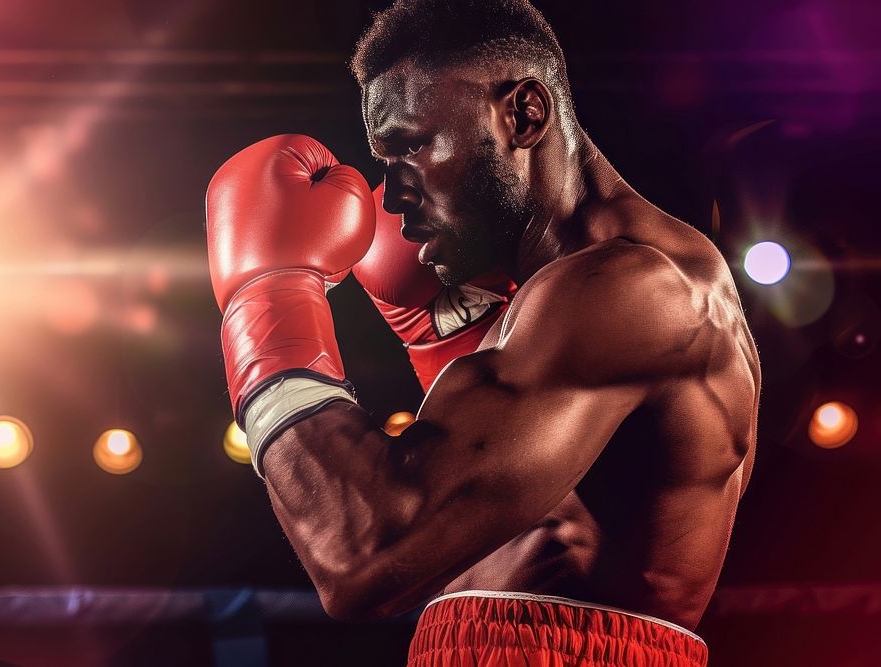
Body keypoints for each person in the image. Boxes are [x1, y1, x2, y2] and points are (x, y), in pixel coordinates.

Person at [206, 1, 760, 664]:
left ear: (524, 115)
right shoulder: (558, 301)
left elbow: (361, 553)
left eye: (411, 146)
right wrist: (440, 340)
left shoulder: (634, 287)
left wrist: (267, 296)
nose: (391, 196)